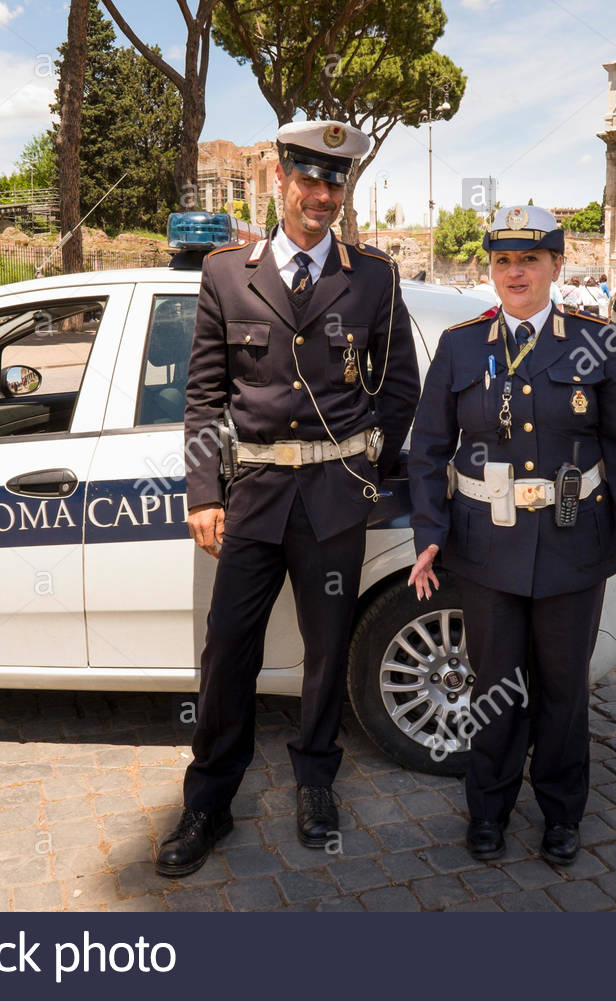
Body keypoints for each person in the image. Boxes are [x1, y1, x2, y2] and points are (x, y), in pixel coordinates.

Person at [157, 120, 421, 878]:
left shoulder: (372, 277)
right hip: (255, 496)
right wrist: (204, 490)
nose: (321, 194)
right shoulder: (226, 272)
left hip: (336, 499)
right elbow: (205, 395)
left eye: (335, 181)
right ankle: (208, 800)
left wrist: (372, 472)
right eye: (308, 178)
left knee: (325, 652)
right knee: (227, 651)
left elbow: (400, 387)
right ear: (280, 179)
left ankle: (314, 781)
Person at [407, 204, 616, 866]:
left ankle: (561, 813)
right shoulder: (462, 345)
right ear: (491, 270)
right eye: (502, 260)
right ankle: (489, 809)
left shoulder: (598, 341)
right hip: (486, 549)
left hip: (571, 545)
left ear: (557, 265)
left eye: (529, 259)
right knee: (494, 684)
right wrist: (430, 534)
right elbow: (429, 450)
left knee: (562, 689)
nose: (515, 272)